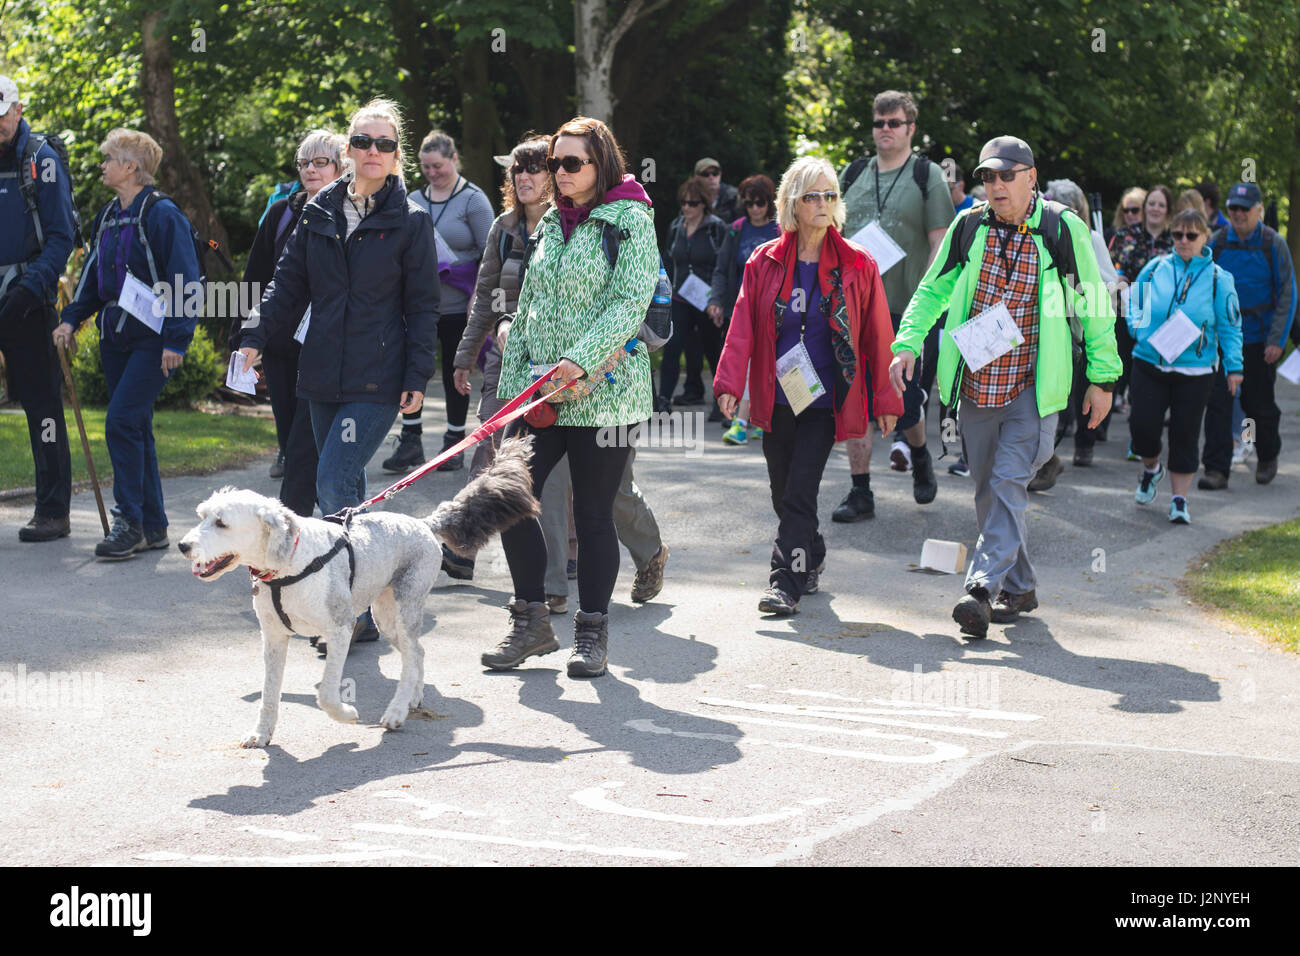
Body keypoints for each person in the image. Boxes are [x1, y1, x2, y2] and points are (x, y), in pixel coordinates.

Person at [890, 135, 1120, 638]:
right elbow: (933, 287)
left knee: (1008, 481)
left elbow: (1095, 306)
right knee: (987, 493)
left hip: (1032, 389)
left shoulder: (1063, 229)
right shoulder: (968, 226)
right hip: (976, 384)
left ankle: (980, 588)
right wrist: (907, 343)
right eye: (988, 176)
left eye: (1006, 175)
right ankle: (1020, 586)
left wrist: (1103, 378)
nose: (996, 185)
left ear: (1031, 177)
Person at [236, 97, 439, 646]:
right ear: (347, 150)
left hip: (378, 376)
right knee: (346, 488)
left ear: (397, 156)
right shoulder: (319, 209)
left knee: (331, 478)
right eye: (364, 142)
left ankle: (344, 608)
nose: (374, 152)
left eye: (386, 144)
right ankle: (371, 605)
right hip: (320, 370)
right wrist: (255, 335)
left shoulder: (412, 221)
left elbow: (423, 305)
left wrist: (417, 376)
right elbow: (286, 283)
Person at [484, 116, 658, 678]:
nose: (559, 173)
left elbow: (628, 302)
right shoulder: (551, 224)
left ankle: (591, 633)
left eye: (571, 163)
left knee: (593, 510)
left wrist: (579, 362)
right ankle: (532, 620)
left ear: (601, 163)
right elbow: (528, 305)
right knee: (507, 499)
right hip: (542, 393)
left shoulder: (630, 220)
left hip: (604, 396)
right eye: (554, 162)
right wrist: (516, 393)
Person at [714, 156, 903, 615]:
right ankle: (811, 551)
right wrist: (729, 381)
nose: (822, 204)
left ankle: (786, 581)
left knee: (800, 490)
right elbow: (742, 325)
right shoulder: (765, 261)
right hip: (776, 396)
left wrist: (885, 397)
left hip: (825, 400)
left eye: (829, 195)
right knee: (783, 490)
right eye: (812, 196)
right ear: (792, 204)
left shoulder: (859, 264)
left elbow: (879, 336)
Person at [54, 128, 200, 559]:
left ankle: (129, 522)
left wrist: (177, 338)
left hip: (154, 341)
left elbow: (185, 279)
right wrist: (70, 320)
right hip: (116, 336)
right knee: (136, 427)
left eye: (109, 158)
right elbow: (94, 279)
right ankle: (153, 526)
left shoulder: (162, 214)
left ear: (132, 167)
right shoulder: (108, 215)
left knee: (120, 421)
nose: (103, 165)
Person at [447, 135, 569, 605]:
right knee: (489, 448)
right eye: (517, 170)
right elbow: (484, 297)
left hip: (558, 368)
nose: (523, 177)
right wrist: (464, 356)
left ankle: (577, 557)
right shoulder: (503, 227)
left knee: (567, 477)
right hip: (505, 361)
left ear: (554, 175)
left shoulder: (571, 227)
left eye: (534, 168)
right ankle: (462, 544)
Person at [834, 89, 955, 522]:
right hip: (854, 308)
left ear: (910, 128)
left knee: (903, 403)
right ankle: (860, 491)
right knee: (855, 396)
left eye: (894, 123)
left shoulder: (928, 175)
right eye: (879, 122)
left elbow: (939, 243)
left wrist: (926, 303)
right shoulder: (852, 174)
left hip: (905, 309)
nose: (885, 129)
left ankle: (919, 453)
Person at [229, 129, 344, 516]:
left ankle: (289, 538)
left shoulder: (351, 215)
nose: (311, 170)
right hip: (280, 350)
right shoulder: (282, 213)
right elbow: (256, 278)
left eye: (320, 162)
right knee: (292, 443)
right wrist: (244, 337)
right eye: (304, 163)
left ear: (340, 167)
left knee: (302, 450)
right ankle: (330, 525)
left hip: (328, 351)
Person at [386, 130, 493, 474]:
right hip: (418, 304)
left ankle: (454, 442)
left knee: (454, 371)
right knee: (412, 367)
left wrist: (478, 296)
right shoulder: (414, 198)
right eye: (426, 167)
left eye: (439, 166)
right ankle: (411, 439)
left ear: (454, 159)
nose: (432, 173)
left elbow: (491, 254)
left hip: (459, 304)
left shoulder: (473, 200)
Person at [1126, 208, 1242, 523]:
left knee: (1185, 434)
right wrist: (1137, 328)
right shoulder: (1155, 268)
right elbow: (1133, 301)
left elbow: (1231, 327)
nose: (1184, 241)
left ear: (1205, 237)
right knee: (1142, 428)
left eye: (1191, 235)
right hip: (1149, 362)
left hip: (1196, 371)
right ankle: (1151, 469)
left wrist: (1235, 367)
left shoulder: (1219, 279)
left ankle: (1179, 500)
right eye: (1178, 234)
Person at [0, 75, 77, 543]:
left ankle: (52, 510)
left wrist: (28, 290)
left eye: (1, 115)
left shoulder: (41, 161)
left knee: (42, 408)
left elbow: (61, 238)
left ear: (18, 110)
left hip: (28, 301)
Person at [1199, 182, 1297, 489]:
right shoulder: (1217, 243)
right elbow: (1202, 288)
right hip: (1222, 341)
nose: (1238, 214)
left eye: (1244, 209)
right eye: (1233, 209)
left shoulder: (1273, 243)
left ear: (1258, 210)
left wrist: (1277, 340)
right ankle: (1216, 469)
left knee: (1257, 404)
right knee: (1218, 403)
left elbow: (1287, 294)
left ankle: (1267, 454)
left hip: (1259, 339)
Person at [1030, 179, 1121, 486]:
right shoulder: (1039, 230)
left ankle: (1052, 457)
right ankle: (1043, 460)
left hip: (1074, 330)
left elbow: (1108, 284)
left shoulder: (1089, 237)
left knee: (1065, 398)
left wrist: (1075, 290)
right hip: (1040, 326)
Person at [709, 173, 779, 445]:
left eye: (760, 203)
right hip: (741, 308)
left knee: (763, 364)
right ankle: (746, 419)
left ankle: (749, 419)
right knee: (745, 363)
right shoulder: (736, 229)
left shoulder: (779, 230)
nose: (755, 209)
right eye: (749, 203)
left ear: (769, 202)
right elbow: (721, 269)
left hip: (773, 309)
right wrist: (715, 300)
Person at [658, 178, 726, 414]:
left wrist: (718, 299)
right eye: (684, 202)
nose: (687, 207)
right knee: (672, 347)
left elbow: (723, 264)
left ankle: (723, 402)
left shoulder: (717, 228)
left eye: (693, 203)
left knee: (713, 349)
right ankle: (663, 399)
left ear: (704, 204)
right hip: (679, 297)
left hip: (707, 300)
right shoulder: (676, 226)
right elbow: (667, 259)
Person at [694, 157, 740, 223]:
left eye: (715, 173)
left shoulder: (734, 196)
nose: (711, 177)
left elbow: (740, 225)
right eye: (706, 174)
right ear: (696, 177)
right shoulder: (691, 199)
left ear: (720, 175)